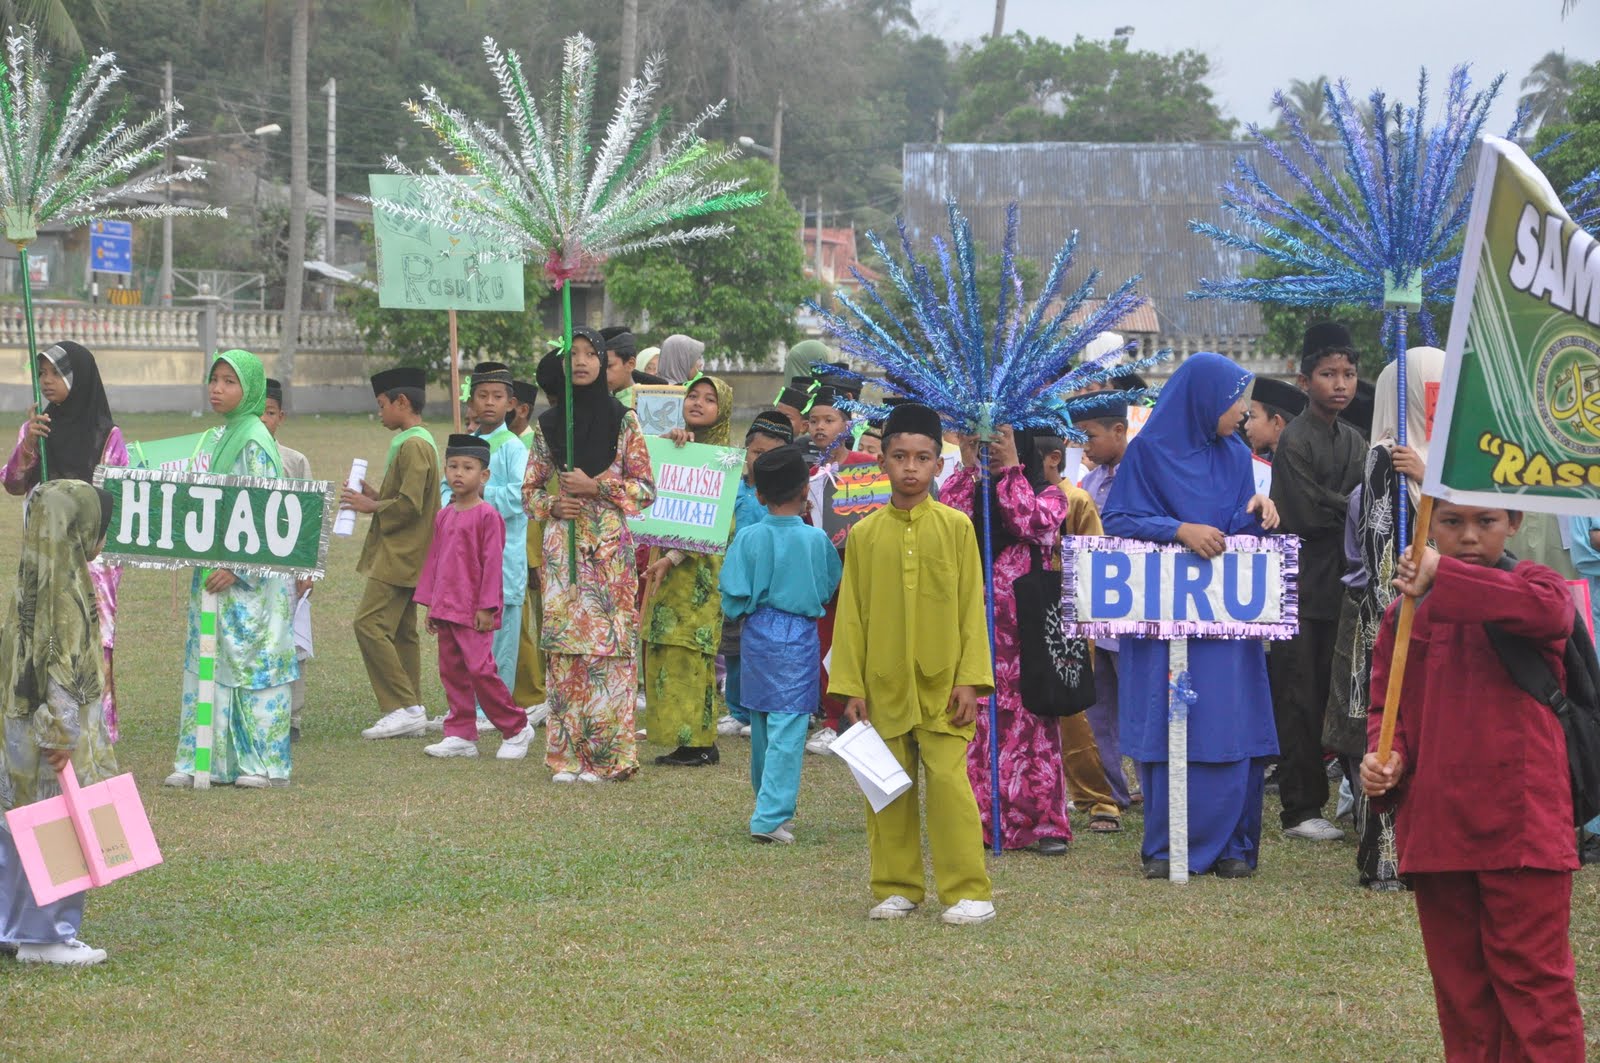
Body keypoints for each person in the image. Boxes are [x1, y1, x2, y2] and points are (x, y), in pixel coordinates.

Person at [1362, 502, 1586, 1060]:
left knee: (1535, 987)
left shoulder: (1539, 586)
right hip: (1438, 821)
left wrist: (1441, 572)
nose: (1468, 537)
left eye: (1486, 522)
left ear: (1515, 524)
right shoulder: (1403, 613)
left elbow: (1550, 615)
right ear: (1428, 525)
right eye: (1450, 522)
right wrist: (1386, 758)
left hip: (1525, 823)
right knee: (1461, 992)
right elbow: (1389, 707)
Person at [1102, 352, 1280, 879]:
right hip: (1164, 616)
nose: (1243, 412)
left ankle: (1231, 845)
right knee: (1169, 723)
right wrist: (1179, 530)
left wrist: (1259, 511)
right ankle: (1166, 845)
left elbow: (1233, 527)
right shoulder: (1147, 452)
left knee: (1228, 722)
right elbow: (1118, 518)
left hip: (1222, 619)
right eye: (1236, 401)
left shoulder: (1235, 454)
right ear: (1203, 399)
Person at [830, 402, 998, 926]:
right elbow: (850, 616)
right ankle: (896, 886)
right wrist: (851, 685)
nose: (910, 467)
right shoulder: (864, 535)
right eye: (899, 456)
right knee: (886, 790)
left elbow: (972, 608)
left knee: (950, 787)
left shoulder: (957, 528)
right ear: (882, 461)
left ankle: (968, 891)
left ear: (938, 465)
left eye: (922, 458)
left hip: (945, 686)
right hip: (882, 685)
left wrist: (971, 679)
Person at [1324, 348, 1444, 891]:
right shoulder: (1384, 462)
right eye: (1431, 392)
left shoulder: (1446, 461)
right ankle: (1386, 856)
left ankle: (1435, 852)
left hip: (1447, 623)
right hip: (1398, 622)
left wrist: (1432, 478)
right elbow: (1382, 560)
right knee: (1392, 739)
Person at [524, 332, 657, 782]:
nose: (580, 362)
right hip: (562, 550)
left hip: (608, 551)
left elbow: (646, 490)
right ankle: (566, 757)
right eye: (572, 355)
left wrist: (596, 487)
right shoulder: (548, 424)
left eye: (589, 354)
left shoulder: (624, 421)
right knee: (565, 651)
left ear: (602, 361)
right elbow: (529, 491)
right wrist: (553, 505)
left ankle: (608, 758)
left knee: (607, 653)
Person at [0, 480, 118, 965]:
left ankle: (10, 925)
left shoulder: (29, 578)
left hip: (18, 728)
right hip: (51, 734)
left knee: (16, 825)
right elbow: (61, 664)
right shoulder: (65, 589)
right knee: (58, 821)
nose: (101, 539)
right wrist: (62, 734)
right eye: (98, 527)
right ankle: (45, 935)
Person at [167, 350, 297, 789]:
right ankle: (204, 759)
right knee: (210, 657)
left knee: (251, 665)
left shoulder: (254, 439)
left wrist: (239, 568)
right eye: (214, 379)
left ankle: (259, 763)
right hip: (215, 569)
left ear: (251, 389)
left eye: (229, 381)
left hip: (249, 581)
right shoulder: (225, 435)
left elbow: (268, 513)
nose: (217, 389)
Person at [942, 426, 1073, 854]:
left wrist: (1012, 469)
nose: (993, 452)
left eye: (1001, 444)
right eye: (988, 445)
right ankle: (981, 819)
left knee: (1033, 725)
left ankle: (1043, 824)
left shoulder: (1050, 494)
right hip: (975, 630)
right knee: (977, 723)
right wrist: (969, 467)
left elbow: (1027, 521)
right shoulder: (968, 488)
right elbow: (948, 518)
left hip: (1027, 632)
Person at [2, 341, 128, 743]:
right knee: (40, 637)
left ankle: (95, 734)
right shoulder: (37, 428)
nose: (47, 381)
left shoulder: (108, 436)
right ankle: (46, 730)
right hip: (42, 555)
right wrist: (27, 446)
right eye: (42, 373)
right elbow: (13, 483)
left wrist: (87, 547)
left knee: (91, 640)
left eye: (56, 372)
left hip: (92, 559)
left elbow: (115, 499)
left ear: (80, 377)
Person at [1268, 322, 1363, 842]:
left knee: (1343, 692)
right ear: (1305, 382)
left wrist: (1345, 506)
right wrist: (1347, 505)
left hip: (1345, 584)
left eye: (1348, 373)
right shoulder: (1294, 439)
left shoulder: (1354, 439)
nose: (1340, 383)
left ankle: (1357, 794)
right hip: (1301, 585)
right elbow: (1303, 512)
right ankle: (1300, 808)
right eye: (1329, 374)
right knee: (1300, 696)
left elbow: (1366, 505)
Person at [722, 444, 842, 843]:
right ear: (806, 490)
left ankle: (766, 803)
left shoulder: (748, 537)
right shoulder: (816, 539)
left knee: (761, 722)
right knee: (789, 727)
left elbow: (733, 593)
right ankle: (770, 815)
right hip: (799, 634)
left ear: (759, 495)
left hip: (757, 633)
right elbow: (828, 586)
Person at [413, 435, 534, 761]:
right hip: (446, 608)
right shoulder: (444, 515)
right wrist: (432, 604)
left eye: (468, 468)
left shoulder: (488, 516)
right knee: (451, 671)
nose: (459, 473)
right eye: (453, 466)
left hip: (475, 610)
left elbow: (493, 565)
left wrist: (487, 607)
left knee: (481, 670)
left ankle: (516, 727)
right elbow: (435, 560)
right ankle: (460, 734)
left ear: (484, 476)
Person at [1035, 431, 1126, 833]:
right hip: (1027, 608)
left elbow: (1095, 559)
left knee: (1075, 709)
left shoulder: (1076, 500)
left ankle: (1099, 797)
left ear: (1053, 459)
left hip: (1070, 612)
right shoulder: (1016, 497)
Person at [643, 375, 735, 767]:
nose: (698, 403)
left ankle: (701, 744)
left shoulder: (724, 459)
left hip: (698, 573)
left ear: (723, 410)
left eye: (709, 399)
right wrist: (667, 447)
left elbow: (719, 523)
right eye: (692, 395)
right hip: (666, 567)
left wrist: (673, 557)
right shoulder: (678, 447)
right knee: (667, 648)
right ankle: (682, 740)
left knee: (692, 653)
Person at [432, 362, 529, 734]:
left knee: (498, 644)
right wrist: (456, 495)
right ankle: (465, 710)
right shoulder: (464, 445)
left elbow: (521, 495)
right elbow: (446, 491)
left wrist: (477, 493)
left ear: (511, 404)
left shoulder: (513, 447)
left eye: (497, 396)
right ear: (470, 401)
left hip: (502, 562)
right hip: (462, 567)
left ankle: (494, 710)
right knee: (463, 642)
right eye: (482, 396)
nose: (489, 403)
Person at [348, 368, 441, 740]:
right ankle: (413, 707)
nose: (379, 413)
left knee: (368, 624)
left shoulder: (414, 444)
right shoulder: (415, 441)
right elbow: (405, 495)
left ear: (402, 402)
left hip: (402, 553)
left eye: (382, 404)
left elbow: (410, 505)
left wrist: (371, 507)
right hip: (410, 552)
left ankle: (401, 707)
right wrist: (376, 495)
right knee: (402, 632)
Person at [805, 381, 879, 756]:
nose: (820, 427)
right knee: (828, 646)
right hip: (827, 578)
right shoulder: (810, 474)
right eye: (814, 420)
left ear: (846, 425)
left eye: (829, 420)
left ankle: (873, 718)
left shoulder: (868, 467)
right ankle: (834, 721)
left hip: (867, 574)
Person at [1072, 395, 1138, 813]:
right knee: (1097, 704)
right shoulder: (1091, 483)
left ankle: (1155, 783)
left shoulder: (1145, 476)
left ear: (1119, 431)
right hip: (1096, 609)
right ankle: (1111, 788)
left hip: (1135, 608)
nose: (1085, 447)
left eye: (1090, 436)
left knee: (1139, 703)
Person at [717, 411, 795, 739]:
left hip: (771, 585)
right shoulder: (730, 487)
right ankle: (738, 711)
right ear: (744, 452)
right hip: (736, 582)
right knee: (734, 650)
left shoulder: (784, 496)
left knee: (765, 651)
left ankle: (764, 709)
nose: (762, 460)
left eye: (772, 455)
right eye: (757, 452)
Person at [262, 378, 314, 741]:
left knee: (291, 640)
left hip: (286, 566)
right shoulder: (232, 459)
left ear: (280, 417)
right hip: (249, 569)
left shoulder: (294, 461)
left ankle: (292, 717)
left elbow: (308, 518)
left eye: (269, 413)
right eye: (256, 413)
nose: (262, 420)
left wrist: (305, 569)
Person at [510, 378, 549, 726]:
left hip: (535, 549)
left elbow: (534, 508)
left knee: (539, 623)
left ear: (521, 409)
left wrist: (534, 557)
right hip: (517, 550)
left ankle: (539, 693)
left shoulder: (531, 445)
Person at [601, 326, 667, 408]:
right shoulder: (603, 399)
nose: (603, 373)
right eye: (600, 367)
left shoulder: (646, 404)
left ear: (630, 364)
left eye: (609, 366)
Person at [1243, 376, 1306, 461]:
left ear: (1276, 422)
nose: (1246, 426)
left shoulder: (1308, 466)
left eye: (1253, 416)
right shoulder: (1258, 464)